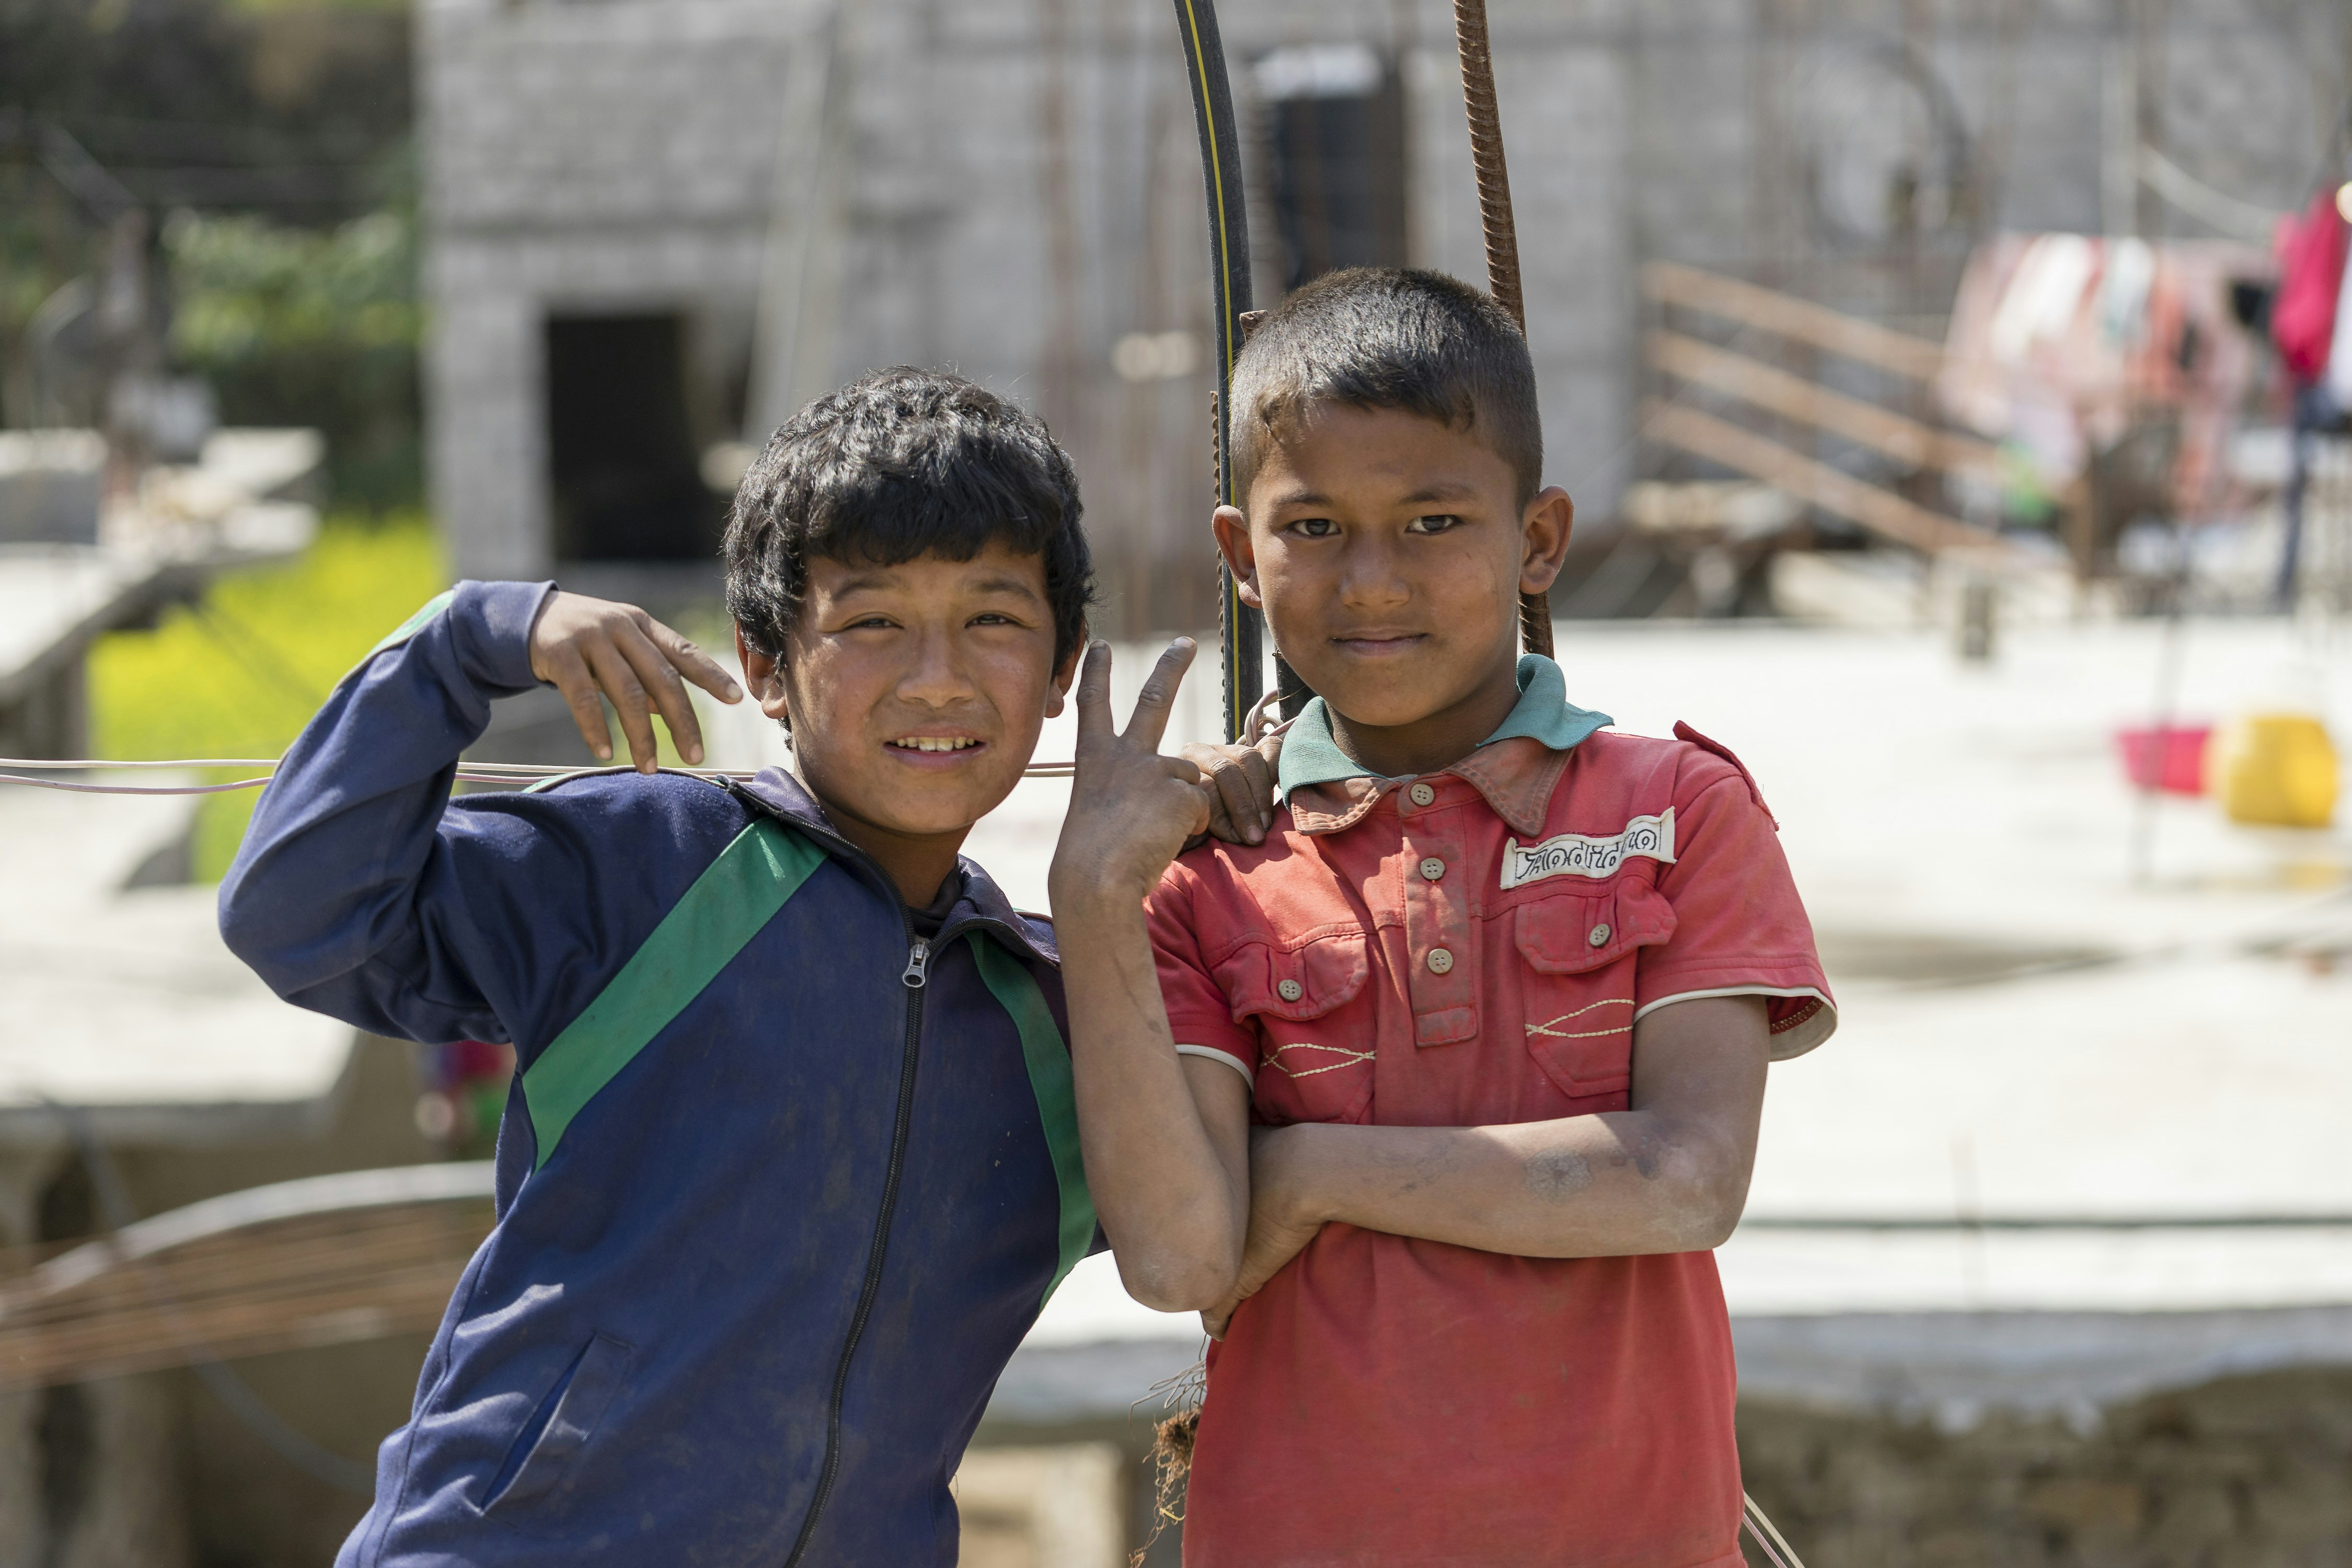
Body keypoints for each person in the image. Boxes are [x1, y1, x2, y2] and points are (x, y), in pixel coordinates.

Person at [218, 367, 1271, 1567]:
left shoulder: (1067, 1019)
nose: (937, 675)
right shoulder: (645, 870)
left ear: (1064, 664)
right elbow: (300, 919)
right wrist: (465, 641)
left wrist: (1218, 868)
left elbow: (1209, 1218)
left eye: (992, 620)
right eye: (871, 623)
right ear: (765, 664)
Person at [1050, 269, 1837, 1567]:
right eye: (1315, 528)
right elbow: (1183, 1262)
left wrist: (1307, 1172)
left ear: (1538, 542)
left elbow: (1688, 1182)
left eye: (1432, 521)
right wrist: (1091, 898)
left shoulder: (1673, 810)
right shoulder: (1209, 874)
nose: (1372, 582)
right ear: (1242, 558)